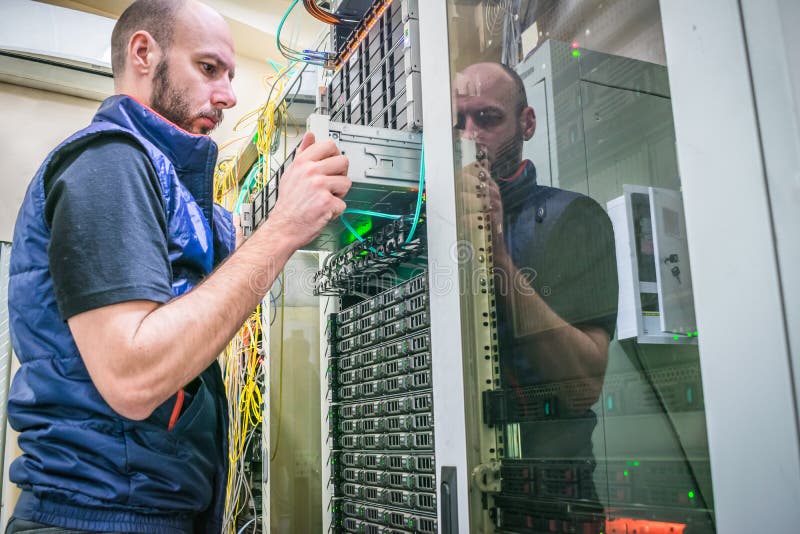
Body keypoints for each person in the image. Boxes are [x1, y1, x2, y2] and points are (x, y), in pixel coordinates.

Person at [5, 0, 350, 532]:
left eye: (231, 76)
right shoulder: (111, 162)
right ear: (144, 54)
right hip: (99, 517)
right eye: (209, 68)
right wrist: (283, 226)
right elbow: (133, 375)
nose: (230, 96)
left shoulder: (171, 183)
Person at [454, 61, 618, 517]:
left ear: (526, 123)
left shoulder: (573, 219)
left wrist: (499, 254)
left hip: (551, 503)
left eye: (487, 119)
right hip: (461, 491)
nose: (469, 136)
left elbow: (582, 387)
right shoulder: (436, 231)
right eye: (457, 123)